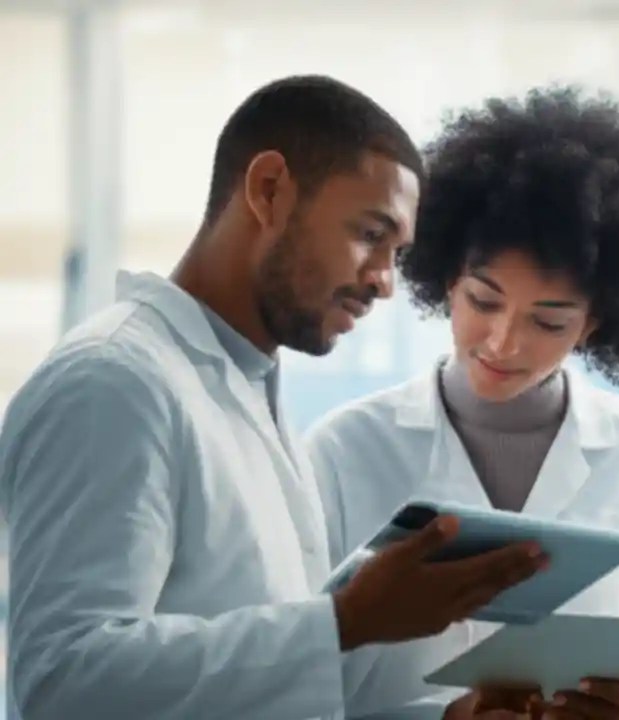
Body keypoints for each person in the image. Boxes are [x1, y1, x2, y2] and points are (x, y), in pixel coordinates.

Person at [0, 75, 547, 720]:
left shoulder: (250, 388)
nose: (384, 283)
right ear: (268, 190)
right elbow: (62, 680)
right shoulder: (113, 384)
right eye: (371, 233)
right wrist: (345, 621)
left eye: (397, 252)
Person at [304, 85, 619, 720]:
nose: (503, 343)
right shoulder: (344, 450)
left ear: (594, 323)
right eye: (483, 301)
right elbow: (298, 678)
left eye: (549, 322)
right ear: (447, 280)